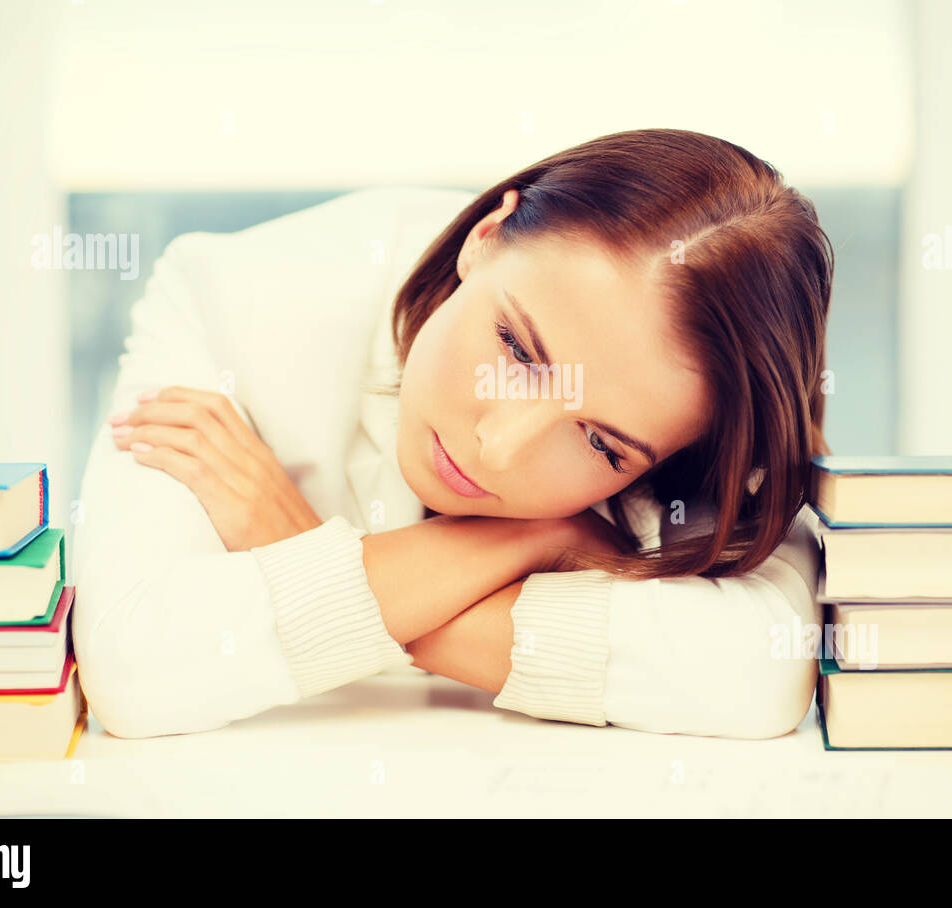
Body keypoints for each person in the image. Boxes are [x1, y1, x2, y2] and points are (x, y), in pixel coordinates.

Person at [71, 128, 835, 741]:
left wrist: (294, 543)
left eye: (602, 446)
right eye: (516, 350)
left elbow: (759, 672)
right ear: (485, 235)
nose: (498, 449)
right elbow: (131, 662)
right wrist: (531, 537)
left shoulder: (711, 416)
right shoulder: (229, 296)